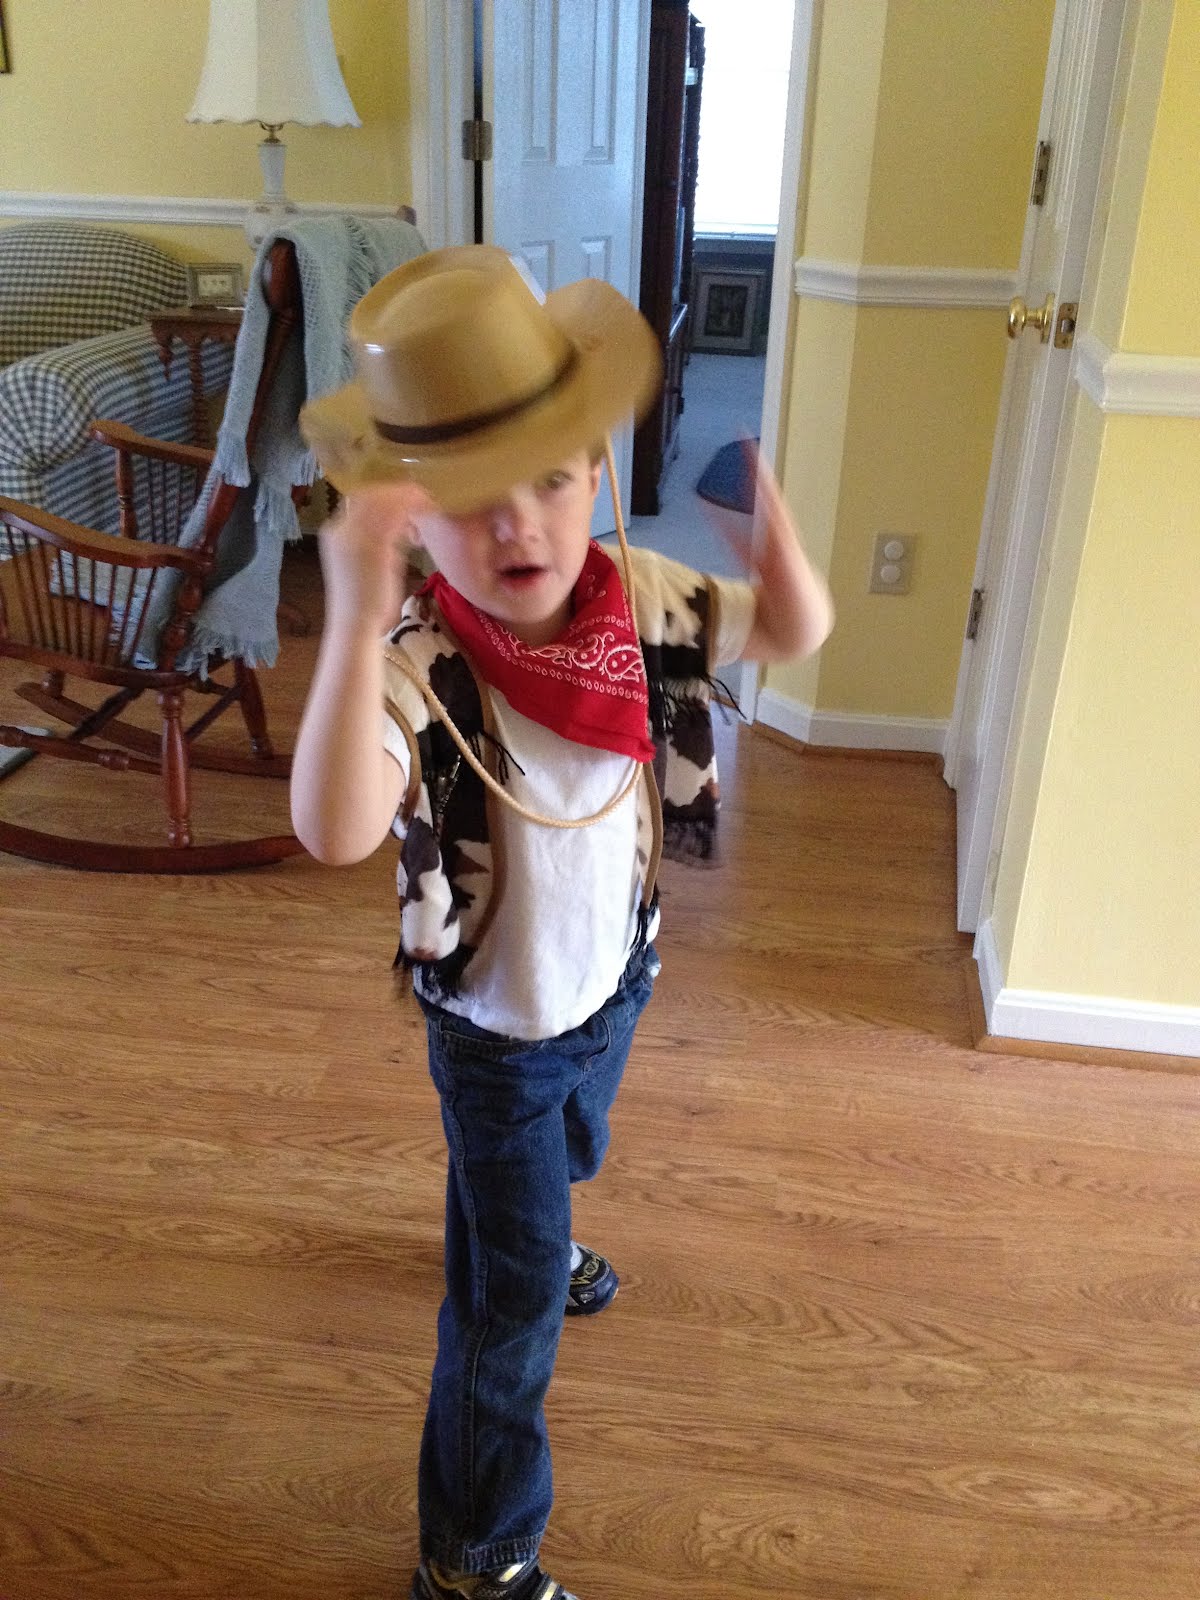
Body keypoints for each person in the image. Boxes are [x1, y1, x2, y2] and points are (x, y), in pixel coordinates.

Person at [291, 246, 834, 1600]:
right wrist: (353, 620)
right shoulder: (420, 662)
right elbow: (336, 828)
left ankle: (520, 1214)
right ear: (413, 522)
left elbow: (788, 631)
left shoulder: (635, 603)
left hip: (614, 978)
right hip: (499, 1030)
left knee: (567, 1148)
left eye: (548, 479)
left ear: (596, 472)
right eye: (468, 502)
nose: (519, 526)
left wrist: (775, 544)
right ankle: (473, 1555)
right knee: (510, 1306)